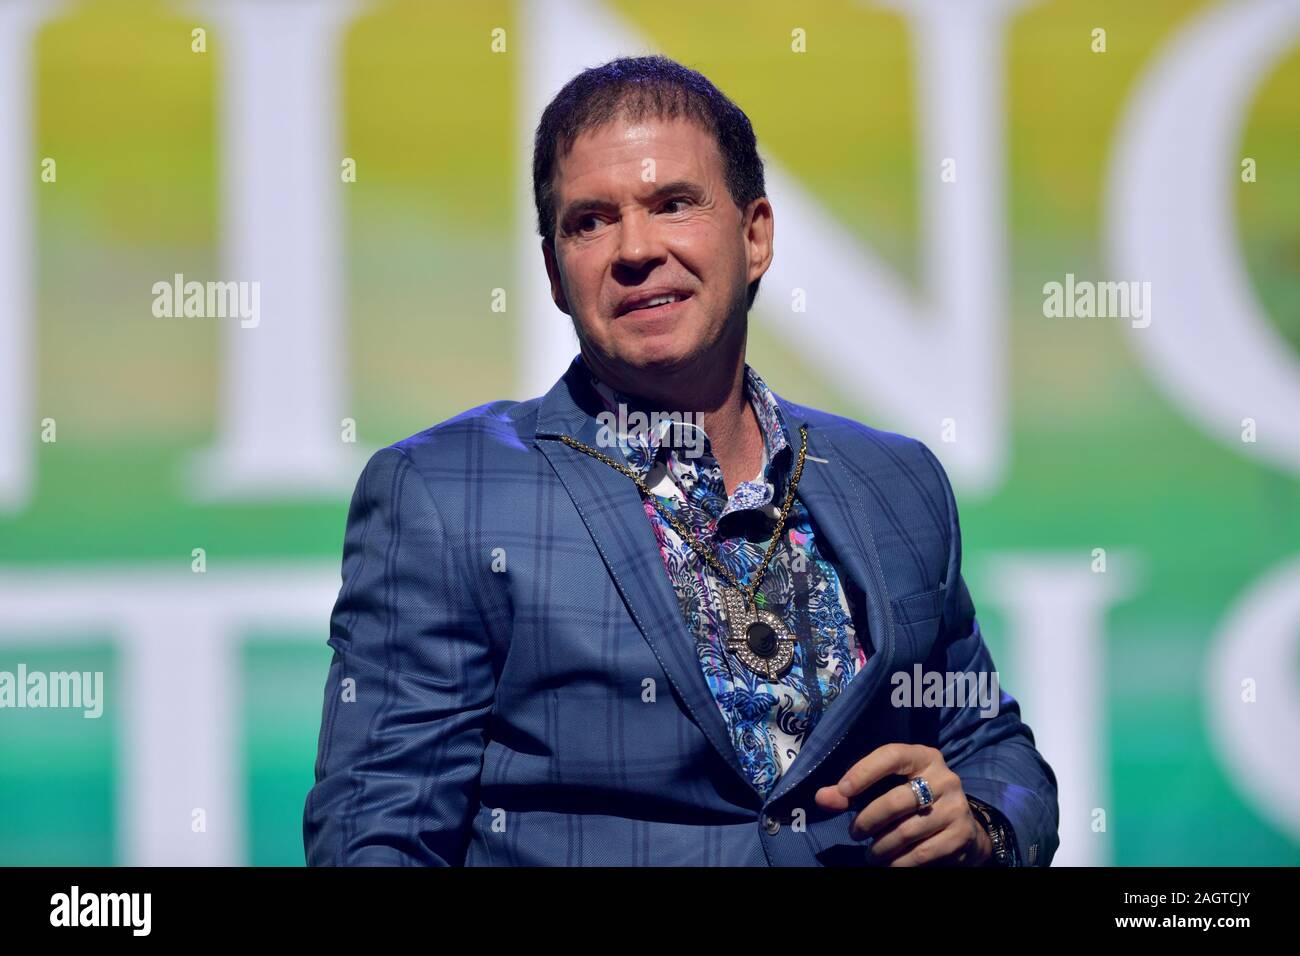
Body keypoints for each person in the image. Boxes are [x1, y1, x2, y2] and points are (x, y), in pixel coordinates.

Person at [303, 54, 1059, 867]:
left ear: (756, 235)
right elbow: (375, 840)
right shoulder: (450, 496)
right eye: (590, 220)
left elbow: (991, 742)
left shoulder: (895, 482)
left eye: (673, 204)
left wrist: (980, 824)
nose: (635, 248)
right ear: (557, 273)